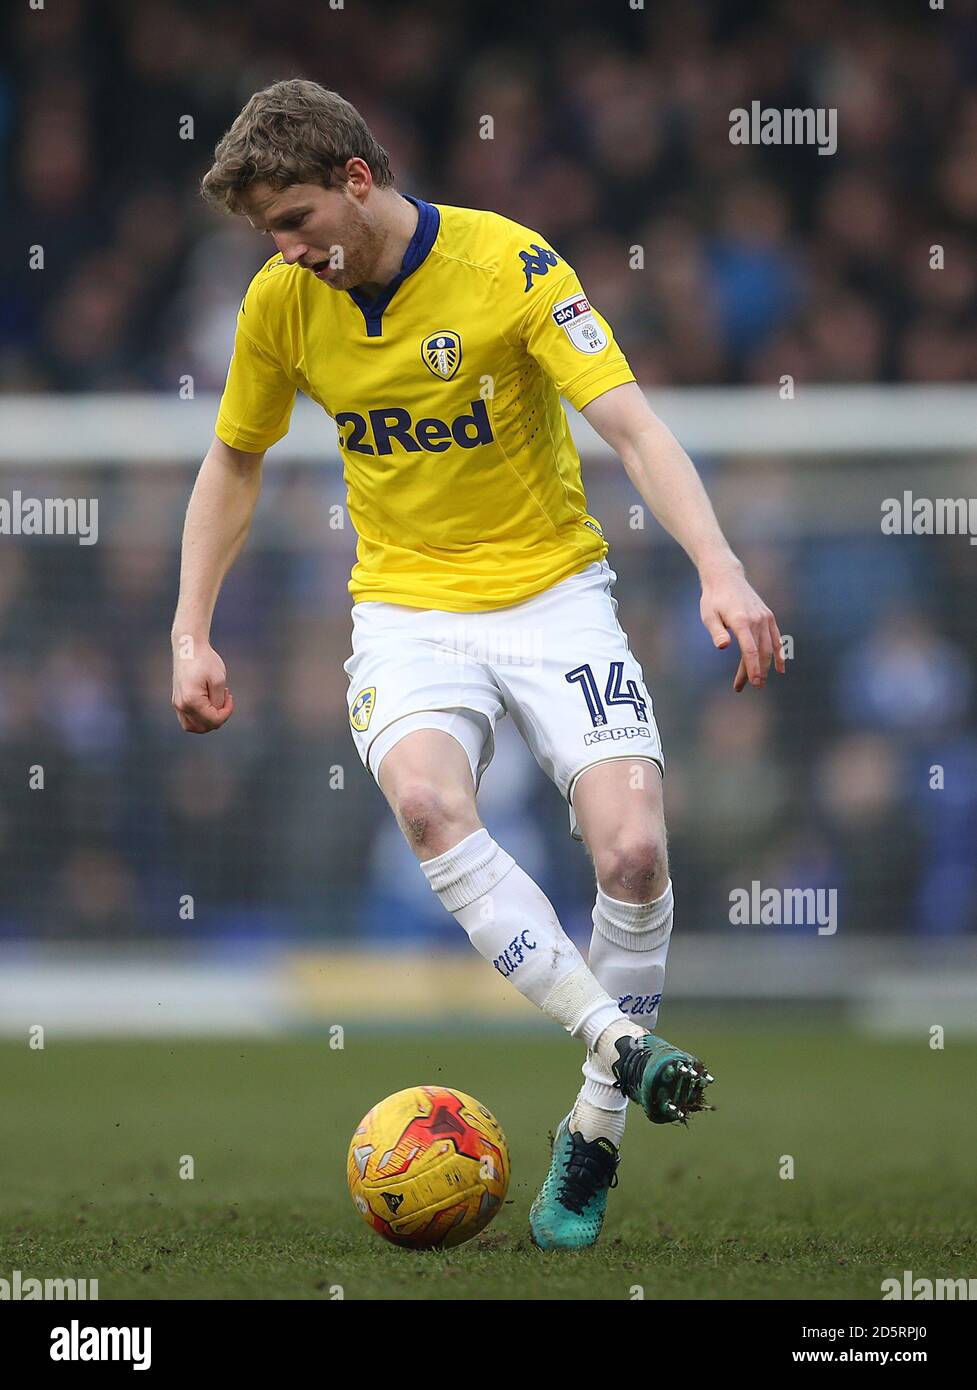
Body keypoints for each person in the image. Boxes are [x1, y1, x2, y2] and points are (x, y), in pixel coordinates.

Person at [171, 79, 784, 1251]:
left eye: (297, 222)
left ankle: (593, 1126)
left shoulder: (509, 265)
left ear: (358, 179)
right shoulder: (282, 305)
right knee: (421, 798)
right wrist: (188, 628)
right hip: (404, 611)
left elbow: (633, 426)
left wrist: (717, 567)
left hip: (556, 597)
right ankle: (621, 1043)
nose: (288, 253)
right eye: (268, 238)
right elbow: (233, 462)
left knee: (635, 851)